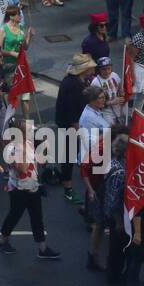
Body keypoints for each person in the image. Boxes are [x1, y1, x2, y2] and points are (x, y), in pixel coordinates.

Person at [0, 116, 60, 260]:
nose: (32, 130)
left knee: (37, 217)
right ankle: (2, 241)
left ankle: (42, 248)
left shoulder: (28, 143)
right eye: (29, 129)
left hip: (32, 186)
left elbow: (37, 163)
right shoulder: (14, 148)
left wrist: (44, 148)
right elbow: (23, 169)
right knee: (14, 216)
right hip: (19, 190)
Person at [55, 53, 96, 203]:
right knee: (69, 156)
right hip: (70, 125)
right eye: (90, 67)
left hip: (68, 123)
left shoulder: (74, 81)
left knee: (70, 155)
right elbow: (73, 111)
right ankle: (68, 189)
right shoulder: (74, 85)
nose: (92, 70)